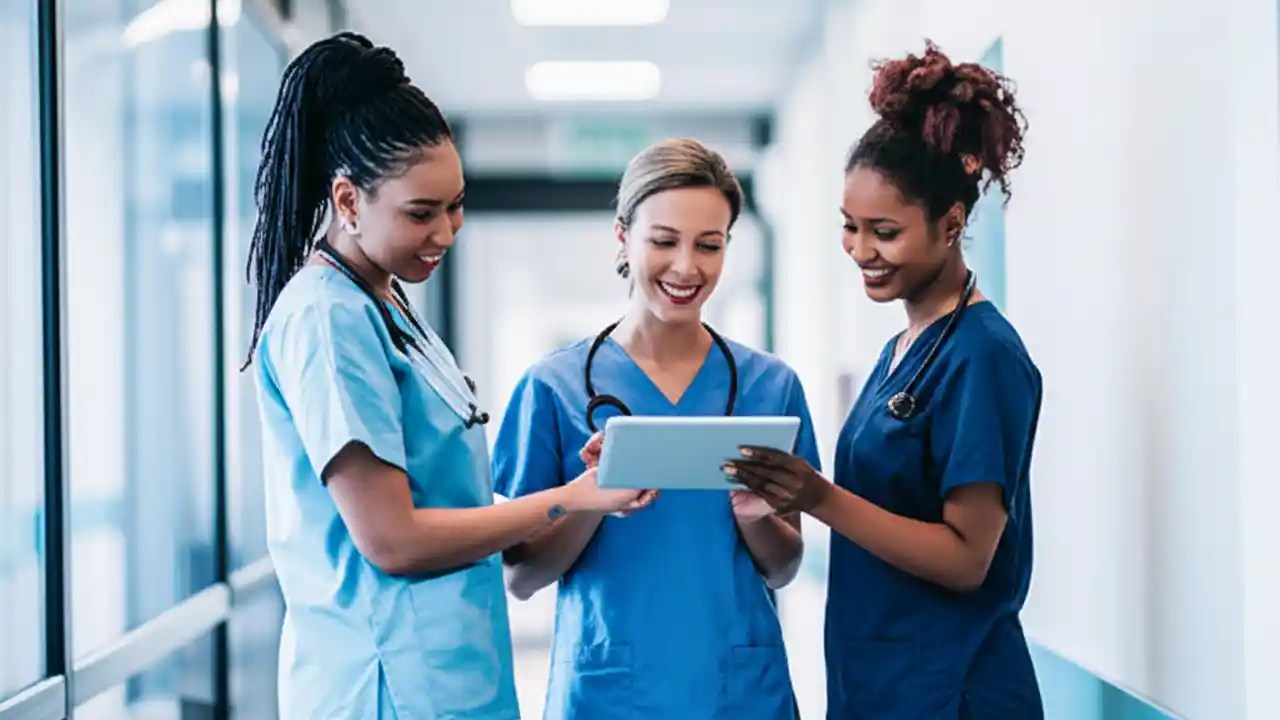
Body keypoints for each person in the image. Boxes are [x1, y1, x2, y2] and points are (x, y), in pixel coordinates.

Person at [245, 32, 648, 719]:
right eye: (420, 213)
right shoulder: (326, 317)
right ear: (347, 201)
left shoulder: (386, 302)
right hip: (388, 684)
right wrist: (569, 497)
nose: (446, 232)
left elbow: (453, 497)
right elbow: (393, 541)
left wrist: (586, 491)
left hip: (449, 674)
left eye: (455, 205)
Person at [726, 42, 1043, 718]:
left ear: (952, 223)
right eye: (849, 227)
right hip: (881, 685)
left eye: (885, 232)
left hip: (953, 692)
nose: (861, 251)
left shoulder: (983, 356)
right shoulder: (904, 348)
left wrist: (816, 496)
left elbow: (967, 559)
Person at [493, 138, 820, 719]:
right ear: (622, 236)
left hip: (738, 693)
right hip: (610, 694)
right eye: (664, 241)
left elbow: (783, 566)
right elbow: (521, 577)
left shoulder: (771, 387)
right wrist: (593, 498)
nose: (687, 267)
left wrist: (756, 516)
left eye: (709, 245)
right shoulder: (554, 388)